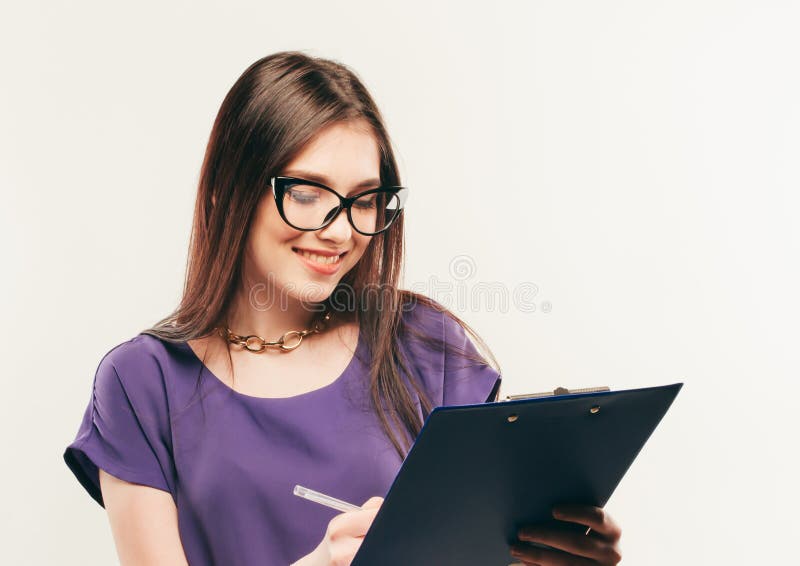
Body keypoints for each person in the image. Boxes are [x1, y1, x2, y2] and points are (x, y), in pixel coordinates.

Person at [63, 51, 622, 566]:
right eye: (307, 194)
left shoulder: (426, 345)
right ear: (228, 193)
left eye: (365, 199)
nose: (341, 231)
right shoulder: (141, 384)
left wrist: (552, 556)